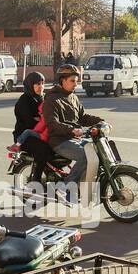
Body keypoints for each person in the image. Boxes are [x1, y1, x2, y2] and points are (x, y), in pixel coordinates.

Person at [43, 64, 105, 202]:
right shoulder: (51, 99)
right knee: (85, 156)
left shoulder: (73, 97)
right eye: (72, 81)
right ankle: (64, 189)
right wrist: (71, 130)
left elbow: (83, 117)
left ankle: (82, 188)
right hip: (60, 141)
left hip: (74, 138)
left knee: (97, 152)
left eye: (76, 81)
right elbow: (52, 124)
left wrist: (100, 121)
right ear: (62, 80)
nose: (75, 84)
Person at [12, 72, 52, 183]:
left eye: (42, 83)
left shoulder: (41, 98)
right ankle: (36, 180)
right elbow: (30, 122)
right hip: (24, 136)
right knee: (43, 149)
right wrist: (41, 119)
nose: (41, 87)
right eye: (37, 84)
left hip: (40, 132)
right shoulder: (23, 101)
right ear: (30, 85)